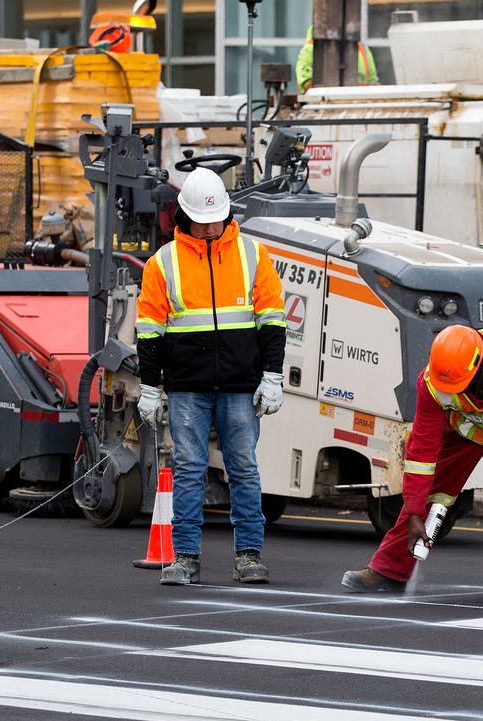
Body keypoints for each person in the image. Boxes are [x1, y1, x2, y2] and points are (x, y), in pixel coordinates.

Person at [135, 168, 287, 585]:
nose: (210, 228)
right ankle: (185, 558)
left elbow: (273, 320)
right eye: (203, 221)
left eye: (216, 219)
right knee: (189, 469)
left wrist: (272, 377)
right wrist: (149, 387)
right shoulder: (163, 262)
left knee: (244, 468)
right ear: (185, 216)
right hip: (187, 386)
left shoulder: (252, 254)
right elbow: (149, 331)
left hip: (240, 384)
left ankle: (249, 557)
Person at [342, 324, 483, 601]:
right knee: (435, 487)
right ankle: (390, 570)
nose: (453, 390)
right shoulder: (432, 383)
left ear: (479, 365)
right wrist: (415, 514)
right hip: (471, 424)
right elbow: (421, 454)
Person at [296, 24, 379, 92]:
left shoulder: (362, 49)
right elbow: (306, 84)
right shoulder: (310, 50)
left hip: (360, 105)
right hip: (323, 105)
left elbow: (373, 83)